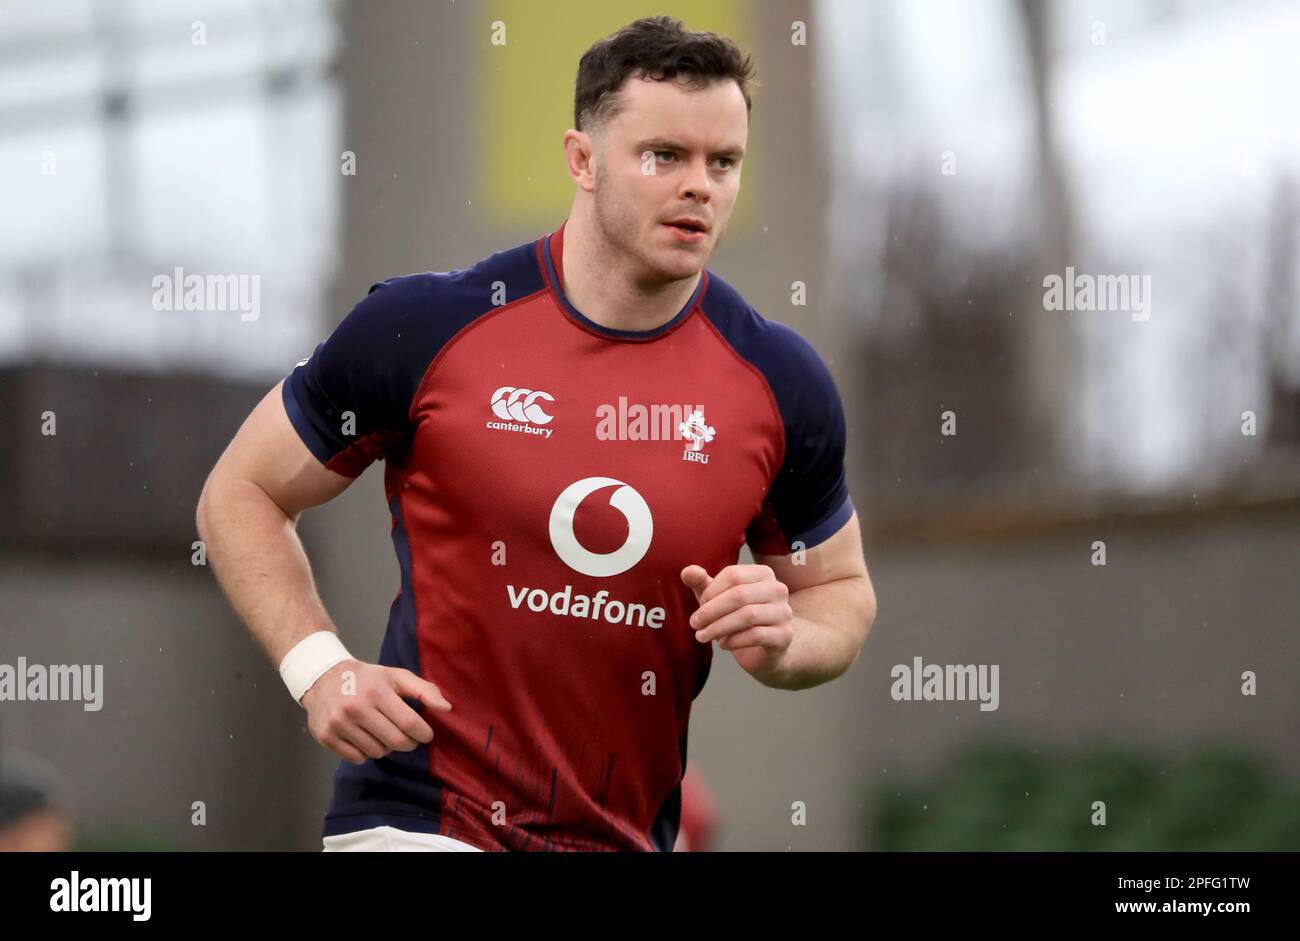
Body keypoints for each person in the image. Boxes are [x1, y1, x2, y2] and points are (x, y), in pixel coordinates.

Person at [197, 15, 877, 852]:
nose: (700, 185)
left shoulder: (779, 380)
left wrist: (786, 638)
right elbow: (242, 490)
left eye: (723, 161)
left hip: (626, 833)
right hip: (419, 816)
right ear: (582, 160)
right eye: (664, 156)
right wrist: (318, 667)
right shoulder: (424, 326)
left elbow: (839, 594)